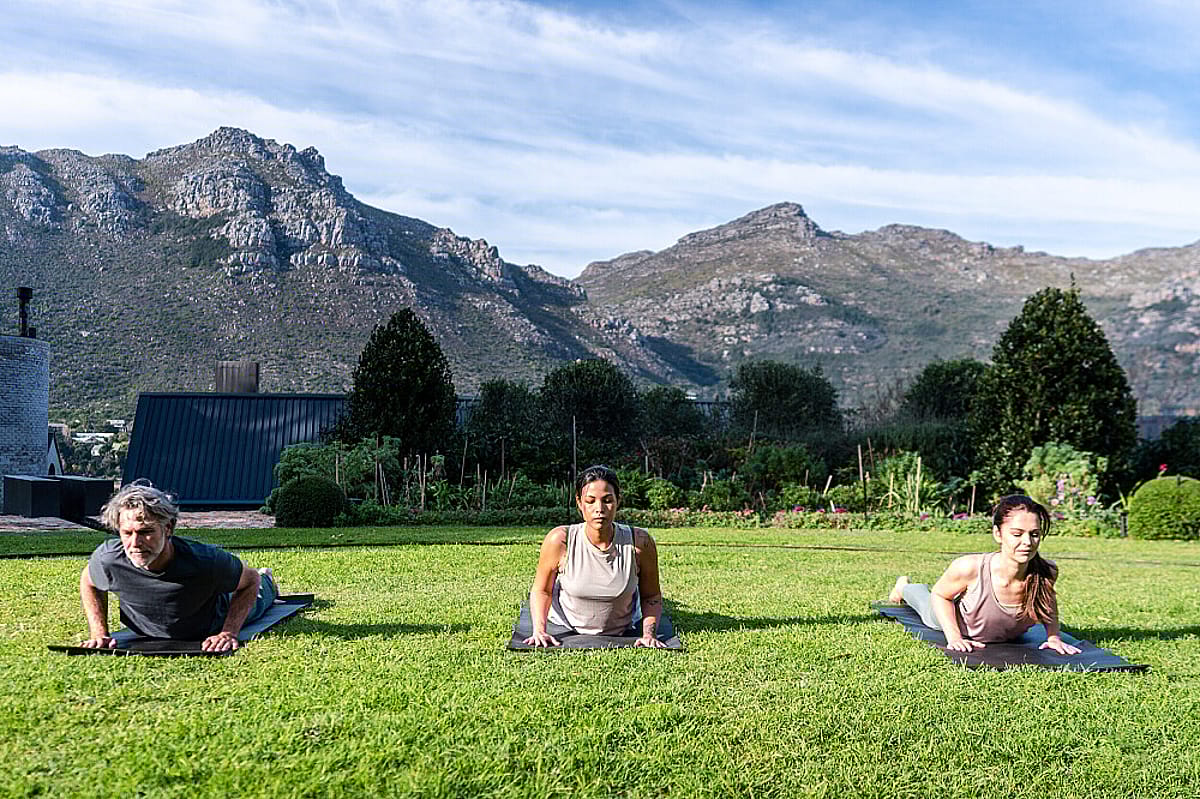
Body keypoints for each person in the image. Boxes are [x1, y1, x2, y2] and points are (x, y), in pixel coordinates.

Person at [79, 481, 278, 652]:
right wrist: (99, 633)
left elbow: (251, 579)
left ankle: (269, 580)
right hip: (147, 629)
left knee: (260, 591)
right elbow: (88, 581)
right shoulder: (109, 559)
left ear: (168, 528)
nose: (135, 543)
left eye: (146, 532)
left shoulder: (206, 561)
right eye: (127, 533)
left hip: (212, 619)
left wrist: (228, 632)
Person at [887, 494, 1081, 655]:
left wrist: (1053, 637)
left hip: (1004, 633)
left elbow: (1048, 601)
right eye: (1017, 534)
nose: (1027, 542)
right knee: (924, 601)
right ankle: (903, 586)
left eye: (1034, 534)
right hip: (959, 623)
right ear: (998, 534)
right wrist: (955, 637)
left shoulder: (1047, 571)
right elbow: (940, 595)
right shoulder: (969, 567)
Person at [524, 465, 669, 648]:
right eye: (590, 501)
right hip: (566, 625)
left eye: (607, 500)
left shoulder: (640, 542)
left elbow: (651, 595)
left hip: (623, 627)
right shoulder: (560, 540)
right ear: (579, 503)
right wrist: (539, 630)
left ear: (618, 501)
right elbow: (542, 590)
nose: (599, 509)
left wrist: (649, 635)